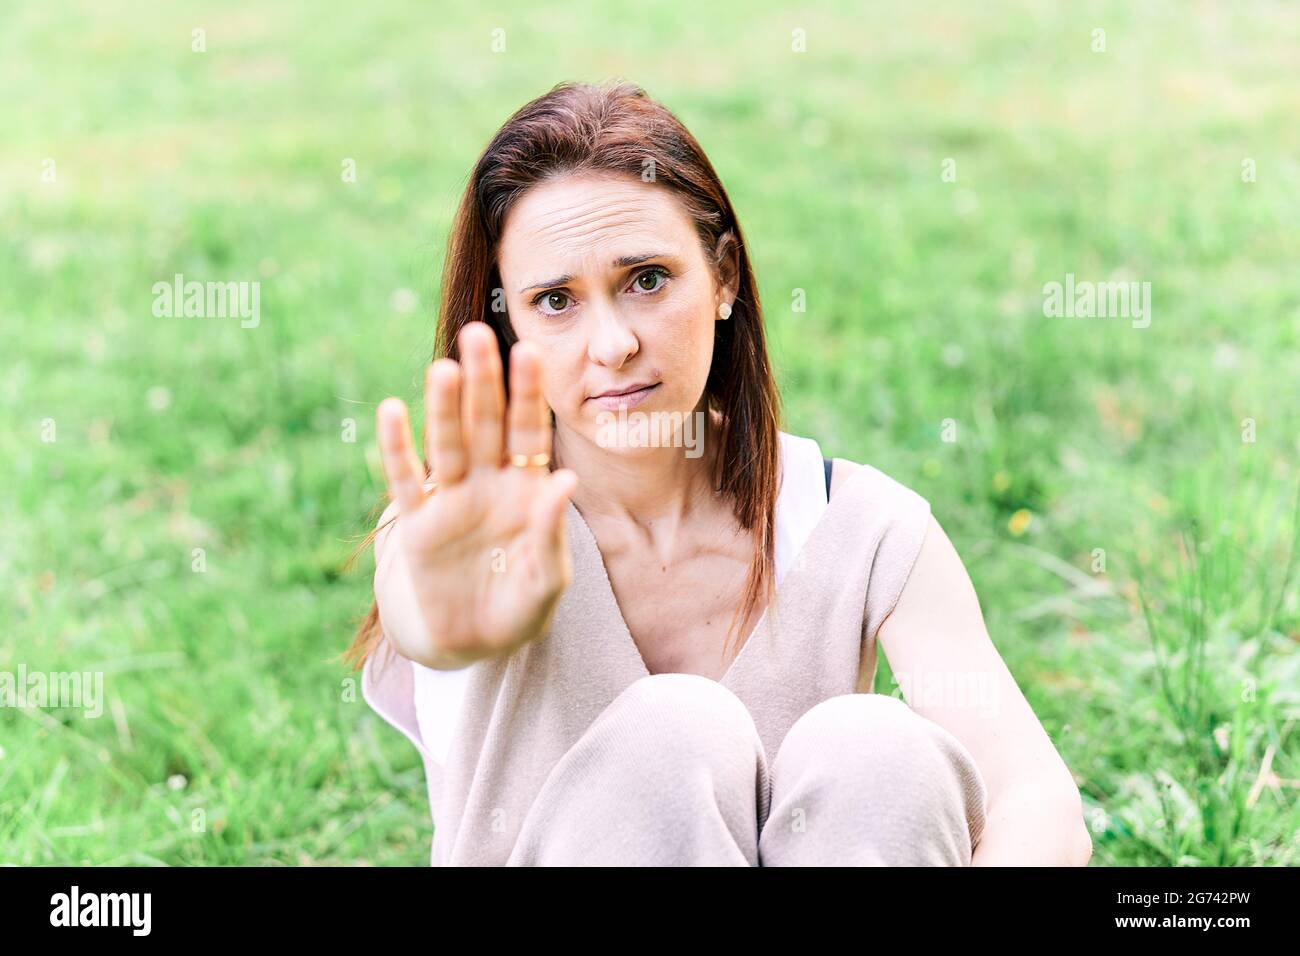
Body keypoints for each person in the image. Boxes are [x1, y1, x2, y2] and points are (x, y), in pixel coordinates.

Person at [345, 80, 1092, 867]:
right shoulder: (468, 524)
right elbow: (423, 613)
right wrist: (449, 613)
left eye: (647, 280)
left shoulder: (863, 526)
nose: (612, 344)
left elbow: (1034, 798)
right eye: (556, 300)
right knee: (675, 732)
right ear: (509, 324)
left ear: (724, 277)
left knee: (878, 748)